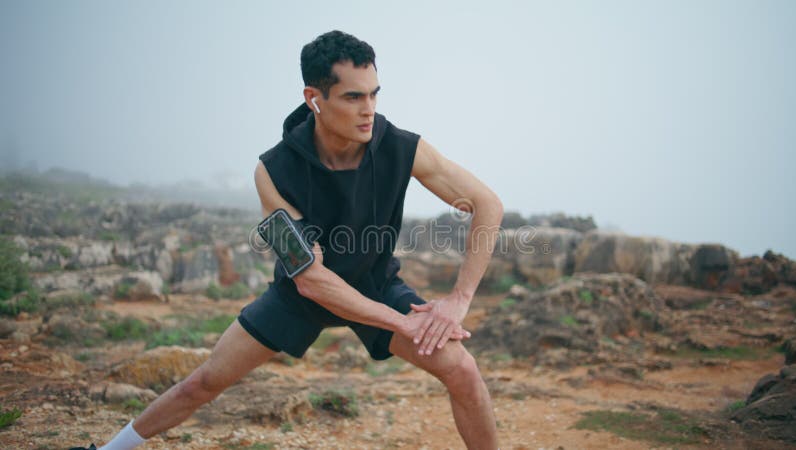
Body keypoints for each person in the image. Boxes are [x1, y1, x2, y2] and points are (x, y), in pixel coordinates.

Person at [72, 30, 503, 450]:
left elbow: (487, 204)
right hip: (301, 297)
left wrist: (459, 299)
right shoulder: (273, 172)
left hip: (374, 284)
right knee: (202, 382)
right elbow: (310, 279)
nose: (368, 109)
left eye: (374, 94)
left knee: (462, 369)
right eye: (353, 97)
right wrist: (401, 322)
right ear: (314, 99)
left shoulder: (402, 147)